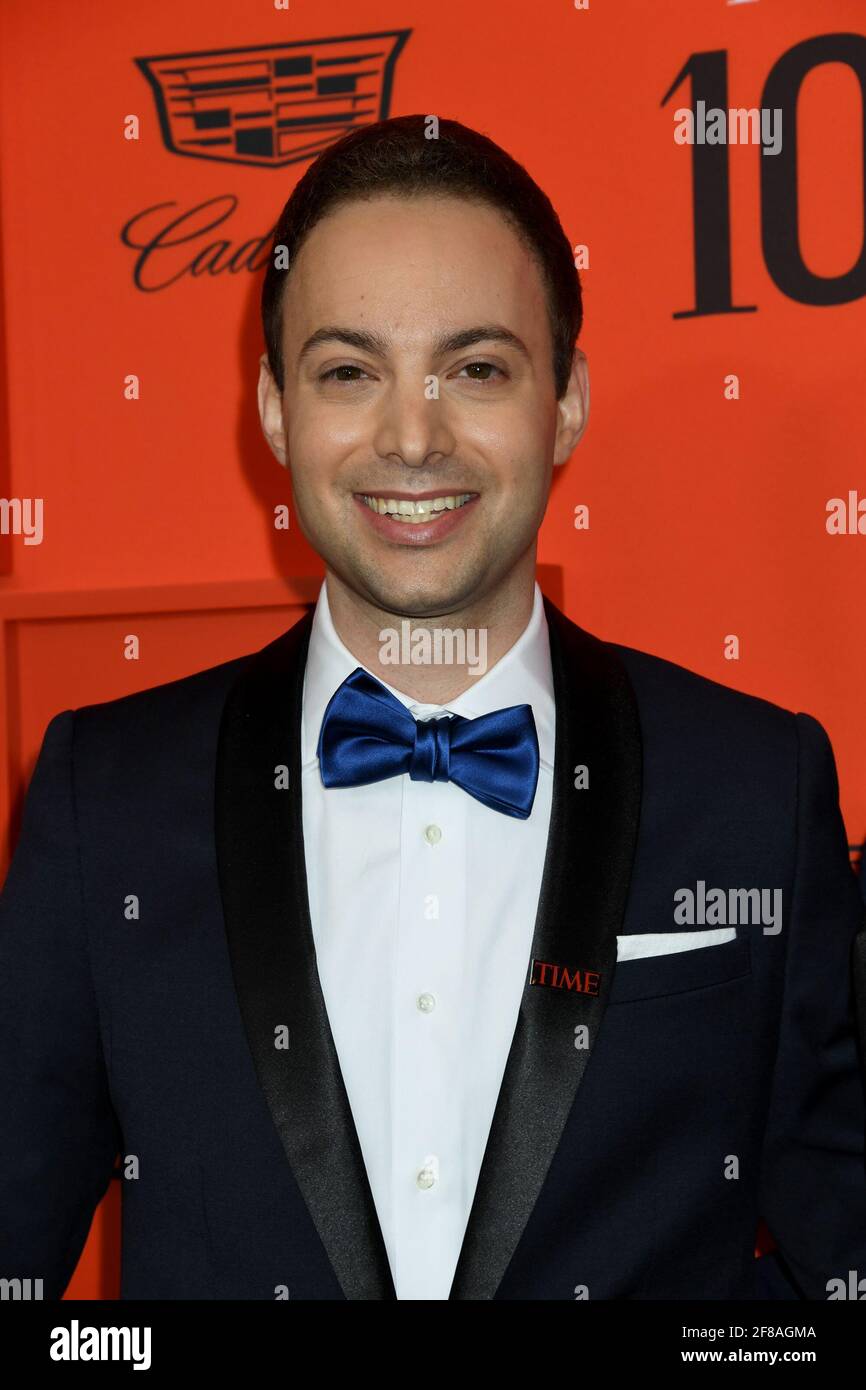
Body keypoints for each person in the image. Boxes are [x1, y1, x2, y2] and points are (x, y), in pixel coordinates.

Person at [1, 114, 864, 1301]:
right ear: (273, 410)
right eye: (349, 372)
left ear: (562, 404)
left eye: (476, 368)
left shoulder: (755, 788)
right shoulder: (105, 796)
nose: (412, 438)